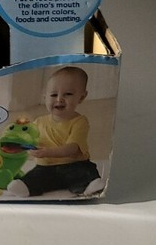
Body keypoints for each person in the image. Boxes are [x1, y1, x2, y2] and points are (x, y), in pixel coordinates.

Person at [10, 66, 105, 197]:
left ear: (81, 97)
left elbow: (72, 148)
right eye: (54, 95)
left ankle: (89, 185)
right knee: (36, 175)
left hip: (74, 164)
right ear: (45, 97)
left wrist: (47, 152)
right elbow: (28, 139)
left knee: (86, 171)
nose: (59, 99)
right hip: (46, 167)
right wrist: (24, 146)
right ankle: (26, 186)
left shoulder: (80, 121)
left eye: (68, 94)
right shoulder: (39, 122)